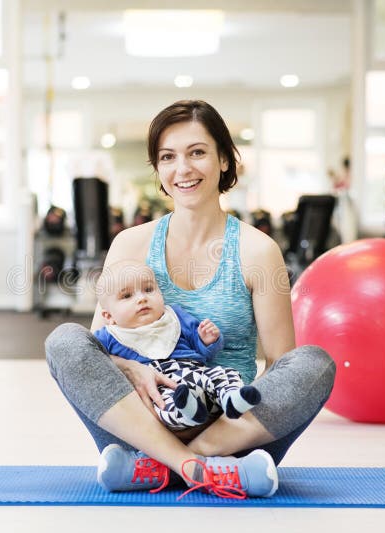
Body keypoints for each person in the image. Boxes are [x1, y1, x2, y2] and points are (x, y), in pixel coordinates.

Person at [45, 99, 336, 499]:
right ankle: (194, 467)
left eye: (197, 152)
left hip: (232, 431)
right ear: (159, 169)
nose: (182, 169)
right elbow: (97, 350)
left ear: (223, 160)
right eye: (168, 157)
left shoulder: (257, 251)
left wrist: (231, 415)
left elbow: (280, 366)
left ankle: (167, 466)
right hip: (141, 425)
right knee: (64, 341)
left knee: (314, 364)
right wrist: (133, 370)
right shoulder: (131, 244)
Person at [93, 261, 262, 431]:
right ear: (109, 316)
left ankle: (232, 399)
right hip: (161, 385)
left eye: (149, 289)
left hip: (196, 371)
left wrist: (207, 340)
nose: (142, 298)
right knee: (164, 404)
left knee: (224, 374)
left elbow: (201, 350)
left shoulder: (175, 317)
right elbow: (91, 356)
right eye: (127, 296)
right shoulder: (108, 336)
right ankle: (188, 412)